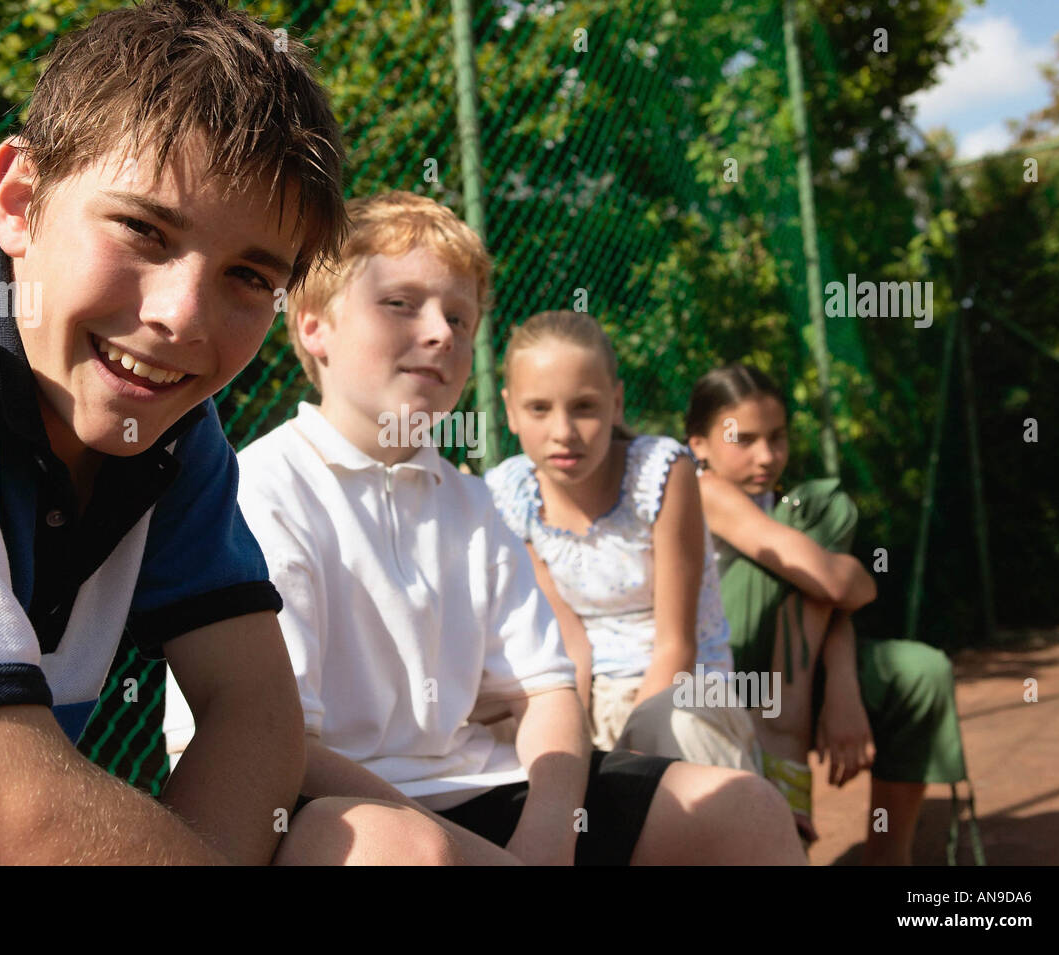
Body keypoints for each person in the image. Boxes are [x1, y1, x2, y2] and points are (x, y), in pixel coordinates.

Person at [0, 0, 466, 866]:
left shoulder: (173, 428)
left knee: (385, 846)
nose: (181, 317)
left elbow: (253, 712)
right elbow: (12, 824)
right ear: (19, 199)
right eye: (143, 228)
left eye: (250, 275)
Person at [166, 193, 805, 865]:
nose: (442, 331)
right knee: (402, 851)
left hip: (483, 789)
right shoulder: (261, 489)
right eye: (401, 303)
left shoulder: (474, 502)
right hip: (329, 808)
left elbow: (545, 689)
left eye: (460, 317)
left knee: (745, 810)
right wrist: (483, 856)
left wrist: (549, 836)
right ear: (314, 325)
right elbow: (272, 746)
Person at [685, 363, 969, 863]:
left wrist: (842, 685)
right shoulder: (702, 490)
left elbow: (839, 595)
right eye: (743, 439)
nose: (767, 456)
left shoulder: (791, 506)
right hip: (719, 676)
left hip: (797, 668)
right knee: (814, 527)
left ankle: (889, 857)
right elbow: (841, 583)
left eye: (777, 438)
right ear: (698, 445)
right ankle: (782, 795)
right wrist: (843, 578)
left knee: (922, 672)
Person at [484, 311, 761, 773]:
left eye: (585, 407)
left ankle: (747, 817)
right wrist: (574, 739)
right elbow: (570, 644)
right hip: (583, 686)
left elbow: (677, 645)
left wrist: (622, 762)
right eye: (539, 409)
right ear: (510, 410)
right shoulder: (509, 494)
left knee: (664, 727)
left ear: (616, 403)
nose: (563, 432)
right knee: (486, 727)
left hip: (681, 688)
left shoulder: (661, 472)